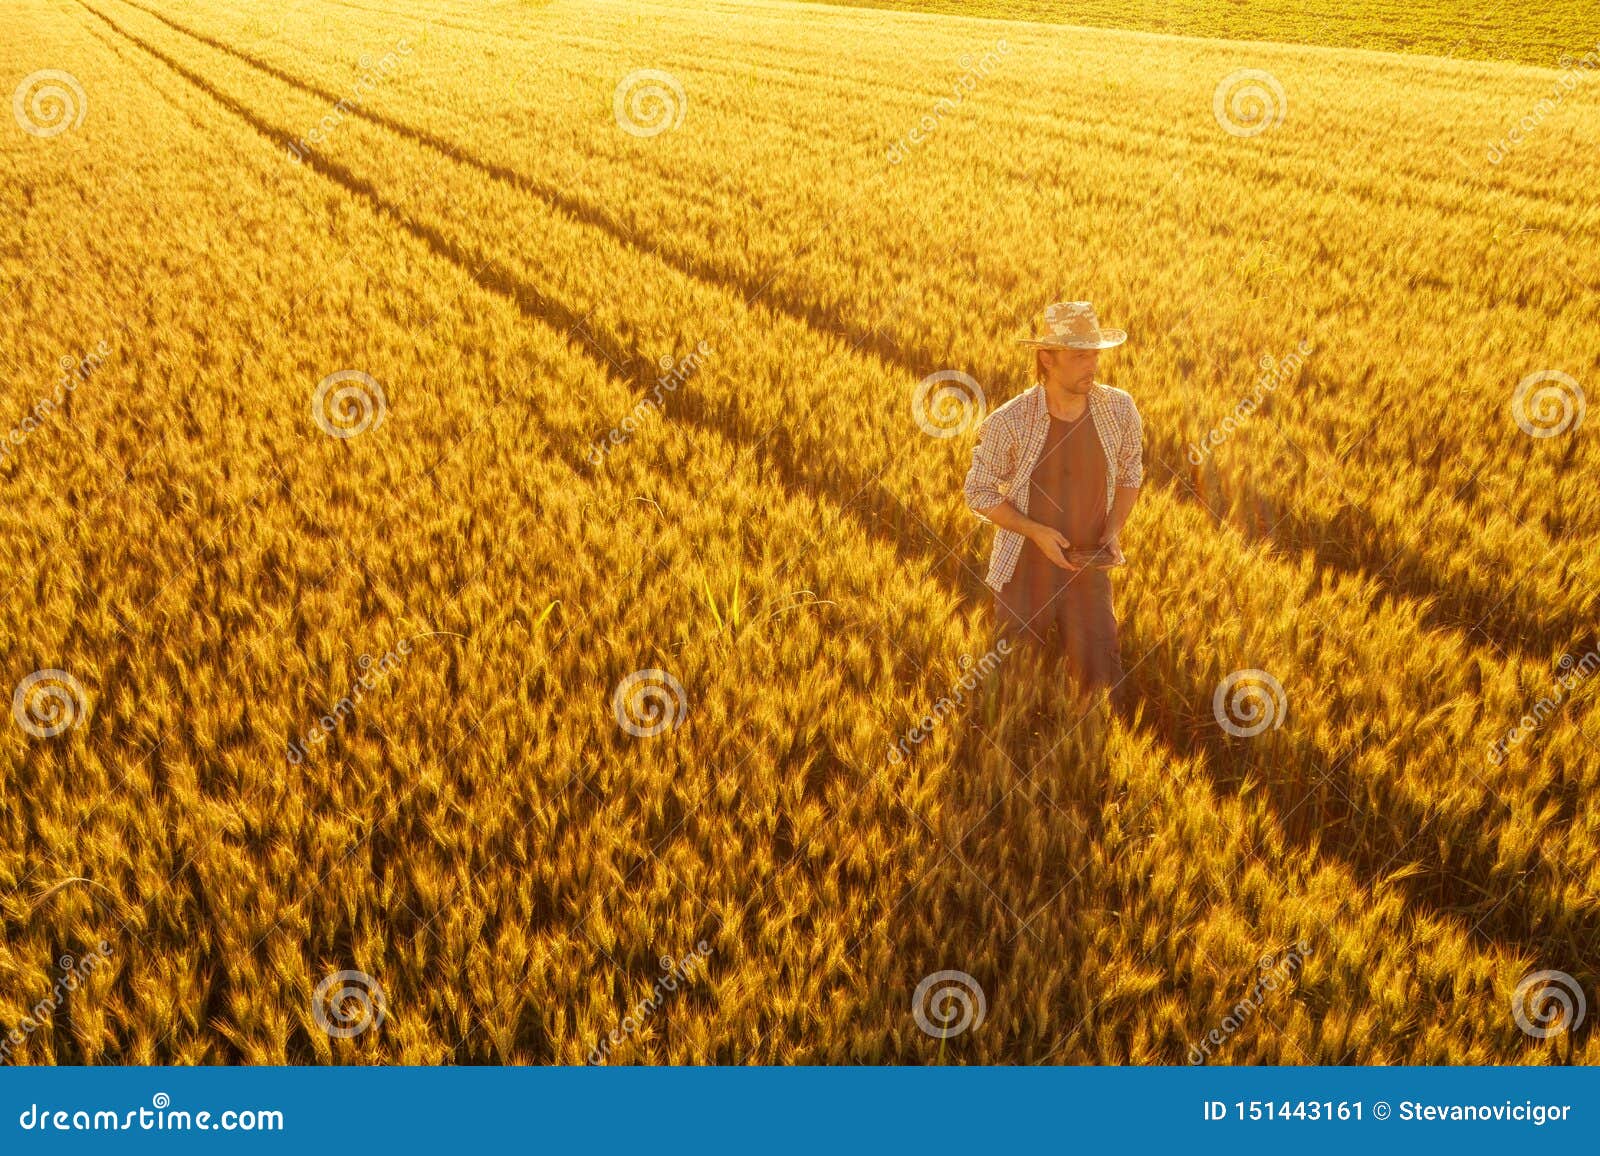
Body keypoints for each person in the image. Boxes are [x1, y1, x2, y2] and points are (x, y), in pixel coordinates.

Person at [962, 300, 1144, 714]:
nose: (1092, 365)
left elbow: (1132, 472)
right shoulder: (1010, 421)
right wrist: (1036, 533)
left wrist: (1112, 531)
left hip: (1088, 570)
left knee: (1101, 691)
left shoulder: (1118, 409)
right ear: (1047, 357)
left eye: (1095, 354)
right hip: (1025, 574)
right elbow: (979, 491)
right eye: (1080, 355)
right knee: (1009, 688)